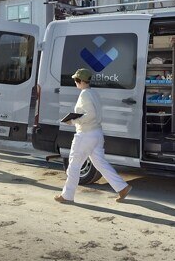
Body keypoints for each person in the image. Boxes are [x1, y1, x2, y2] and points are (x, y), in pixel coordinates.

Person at [54, 68, 132, 204]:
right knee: (101, 164)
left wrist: (73, 121)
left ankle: (67, 196)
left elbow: (90, 115)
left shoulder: (85, 94)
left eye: (76, 80)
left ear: (80, 81)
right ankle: (122, 188)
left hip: (85, 134)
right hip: (97, 134)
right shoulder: (94, 93)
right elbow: (94, 115)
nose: (75, 82)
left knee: (73, 165)